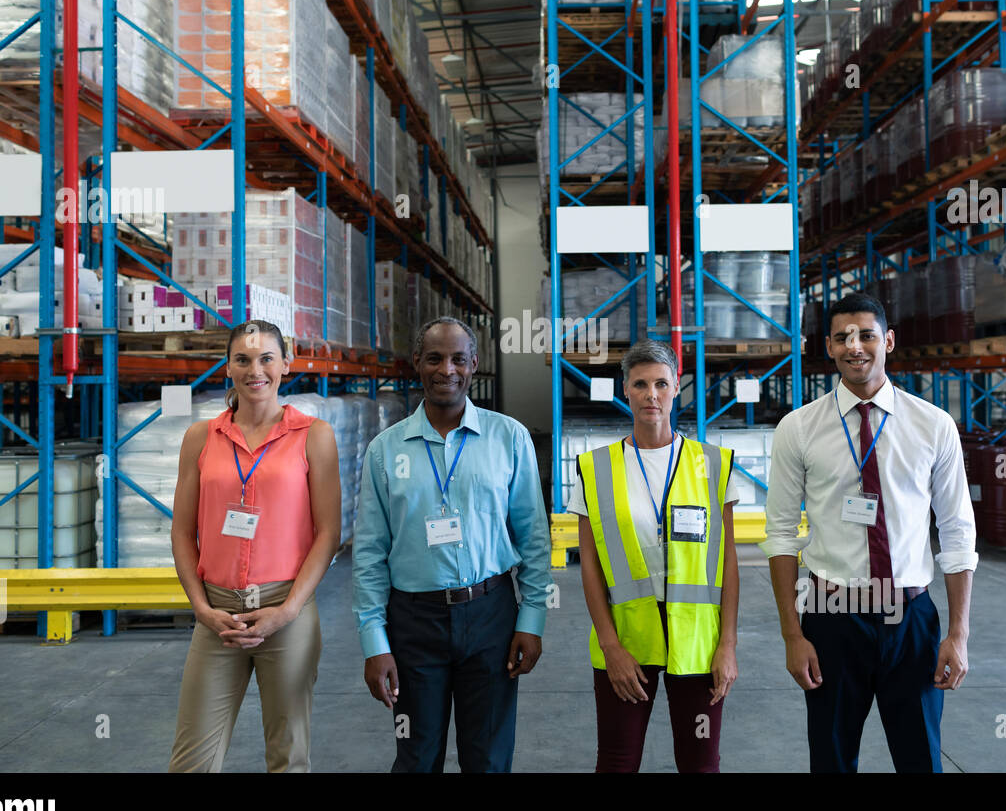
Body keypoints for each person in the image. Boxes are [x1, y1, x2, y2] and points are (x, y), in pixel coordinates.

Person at [762, 292, 976, 773]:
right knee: (832, 759)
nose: (855, 346)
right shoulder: (798, 429)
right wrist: (792, 636)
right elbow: (779, 535)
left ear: (889, 341)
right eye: (842, 337)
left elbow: (959, 533)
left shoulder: (933, 426)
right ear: (829, 347)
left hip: (911, 618)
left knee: (921, 757)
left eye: (866, 335)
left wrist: (958, 633)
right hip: (833, 617)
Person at [353, 317, 552, 772]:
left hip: (492, 617)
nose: (447, 369)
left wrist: (533, 619)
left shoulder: (510, 439)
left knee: (488, 758)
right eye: (435, 358)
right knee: (416, 757)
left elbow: (534, 538)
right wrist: (374, 642)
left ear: (474, 364)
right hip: (414, 622)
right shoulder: (386, 451)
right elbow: (368, 554)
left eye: (458, 358)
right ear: (417, 366)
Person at [168, 320, 340, 772]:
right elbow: (183, 532)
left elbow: (328, 534)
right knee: (191, 762)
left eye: (266, 358)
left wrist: (287, 612)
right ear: (228, 368)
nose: (255, 369)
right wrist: (201, 608)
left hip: (287, 611)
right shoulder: (201, 439)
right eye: (242, 359)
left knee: (288, 756)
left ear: (285, 365)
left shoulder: (314, 437)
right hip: (217, 615)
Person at [570, 340, 740, 773]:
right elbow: (589, 566)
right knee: (617, 761)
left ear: (676, 388)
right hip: (627, 639)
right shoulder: (596, 468)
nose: (651, 394)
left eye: (661, 384)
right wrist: (610, 647)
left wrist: (727, 645)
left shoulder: (713, 464)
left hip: (698, 642)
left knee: (701, 762)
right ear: (624, 389)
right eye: (640, 384)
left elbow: (729, 564)